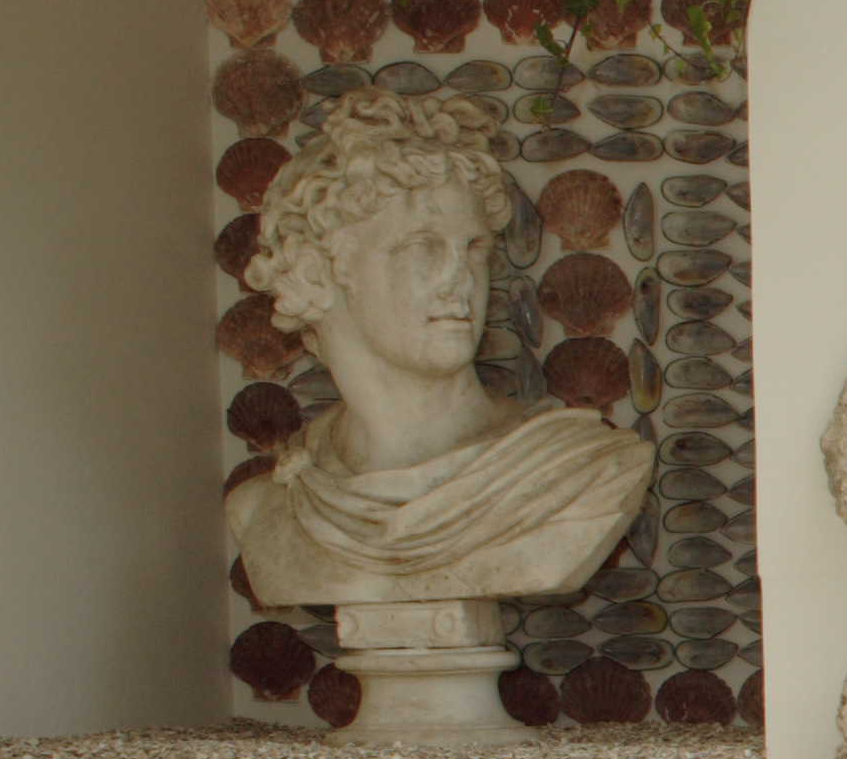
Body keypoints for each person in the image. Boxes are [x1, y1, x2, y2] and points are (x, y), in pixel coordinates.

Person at [227, 87, 652, 609]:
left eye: (473, 248)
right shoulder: (268, 508)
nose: (461, 278)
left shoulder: (580, 470)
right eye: (422, 247)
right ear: (316, 274)